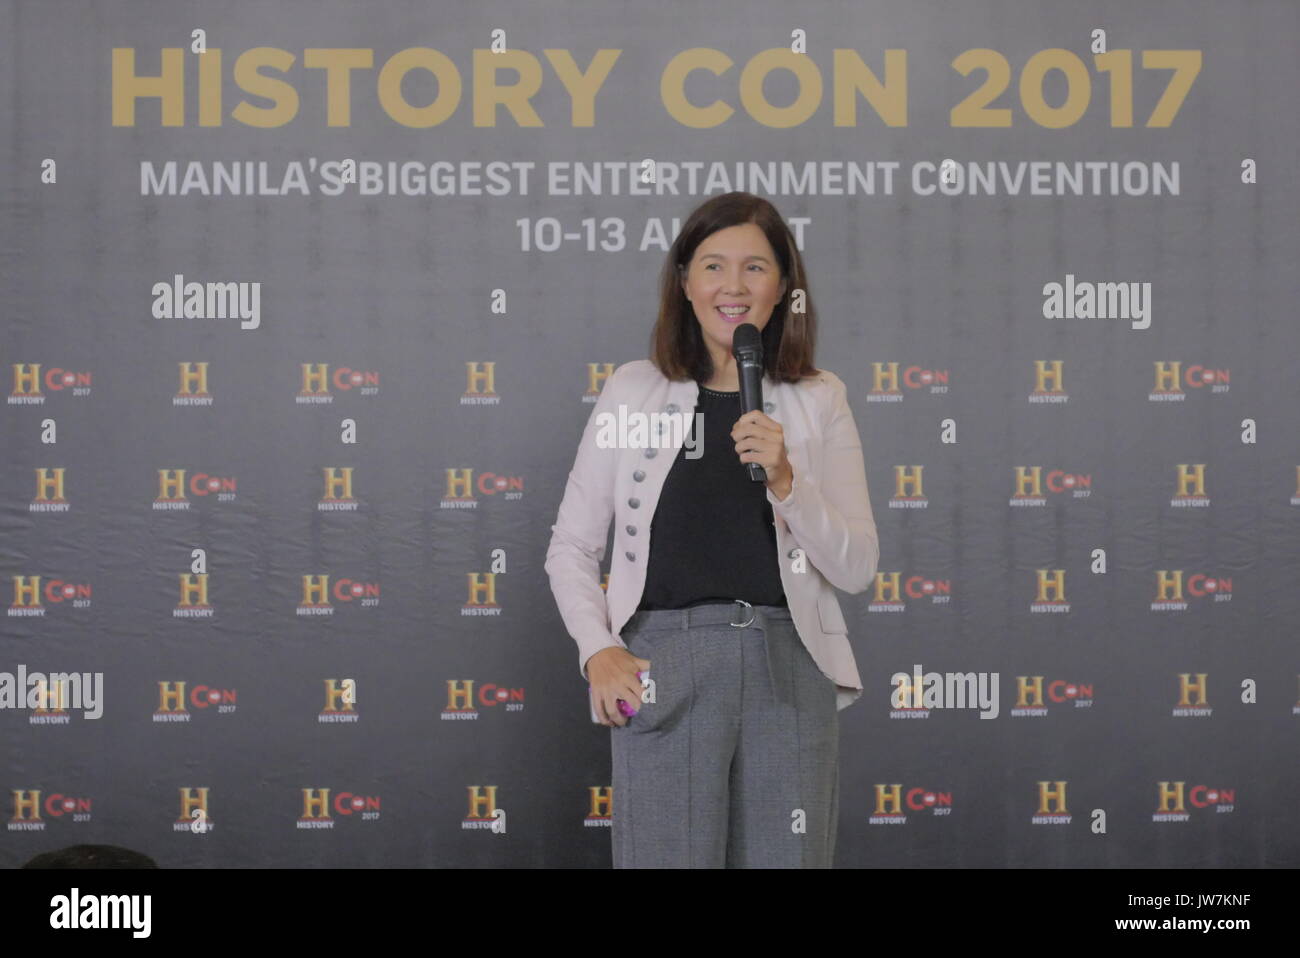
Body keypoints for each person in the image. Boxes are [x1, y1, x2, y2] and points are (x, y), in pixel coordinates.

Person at [545, 191, 879, 867]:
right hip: (661, 664)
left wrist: (788, 480)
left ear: (784, 286)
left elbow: (857, 565)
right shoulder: (631, 391)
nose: (734, 286)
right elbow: (572, 547)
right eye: (714, 266)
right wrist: (597, 649)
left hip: (790, 665)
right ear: (685, 282)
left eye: (755, 267)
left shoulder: (820, 397)